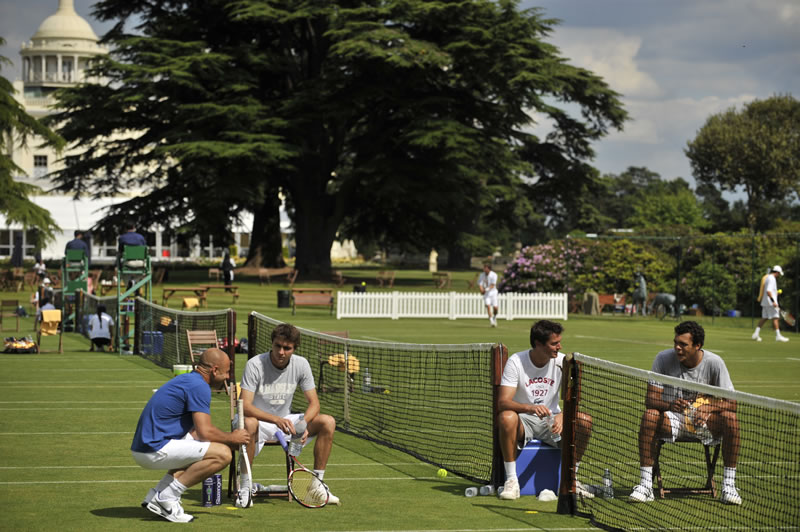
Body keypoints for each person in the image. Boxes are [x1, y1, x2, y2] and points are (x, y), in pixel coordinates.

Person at [131, 348, 250, 523]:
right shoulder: (199, 386)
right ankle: (167, 498)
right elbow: (204, 432)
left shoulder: (189, 380)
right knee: (223, 454)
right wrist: (232, 438)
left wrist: (225, 438)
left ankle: (156, 495)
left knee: (203, 449)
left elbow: (196, 434)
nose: (226, 378)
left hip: (145, 447)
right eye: (225, 373)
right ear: (214, 370)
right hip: (152, 449)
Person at [630, 321, 741, 505]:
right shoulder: (663, 359)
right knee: (649, 415)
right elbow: (650, 400)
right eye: (675, 343)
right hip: (673, 420)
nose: (677, 348)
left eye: (683, 344)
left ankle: (729, 486)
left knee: (730, 418)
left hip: (704, 422)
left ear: (697, 346)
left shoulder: (715, 363)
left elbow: (732, 403)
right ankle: (645, 485)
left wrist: (708, 408)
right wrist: (670, 404)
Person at [239, 323, 341, 505]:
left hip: (285, 422)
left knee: (328, 421)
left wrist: (303, 424)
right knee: (250, 423)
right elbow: (245, 406)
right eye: (278, 346)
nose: (281, 352)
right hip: (257, 422)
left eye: (287, 348)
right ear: (272, 344)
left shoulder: (301, 364)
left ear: (294, 349)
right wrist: (275, 419)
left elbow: (314, 404)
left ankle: (316, 486)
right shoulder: (254, 364)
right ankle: (245, 488)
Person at [496, 320, 593, 500]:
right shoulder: (516, 362)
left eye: (559, 342)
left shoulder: (564, 362)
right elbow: (503, 402)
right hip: (524, 421)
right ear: (539, 344)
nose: (559, 347)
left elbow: (574, 399)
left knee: (584, 420)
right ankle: (511, 482)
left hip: (552, 420)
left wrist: (563, 416)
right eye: (554, 343)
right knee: (506, 417)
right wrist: (530, 408)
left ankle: (572, 479)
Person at [752, 265, 789, 342]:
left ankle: (756, 334)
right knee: (775, 318)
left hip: (766, 302)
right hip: (770, 303)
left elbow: (769, 291)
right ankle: (778, 336)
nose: (779, 276)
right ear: (777, 272)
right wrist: (773, 301)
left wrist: (775, 293)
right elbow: (768, 291)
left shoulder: (768, 278)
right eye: (779, 274)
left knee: (764, 318)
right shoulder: (772, 279)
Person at [478, 262, 499, 327]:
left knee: (495, 308)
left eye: (485, 268)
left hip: (493, 293)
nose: (484, 269)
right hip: (486, 294)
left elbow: (493, 285)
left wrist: (485, 290)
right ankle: (491, 321)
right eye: (484, 268)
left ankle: (494, 317)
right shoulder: (482, 275)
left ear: (489, 269)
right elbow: (480, 284)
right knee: (488, 306)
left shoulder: (494, 275)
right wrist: (481, 290)